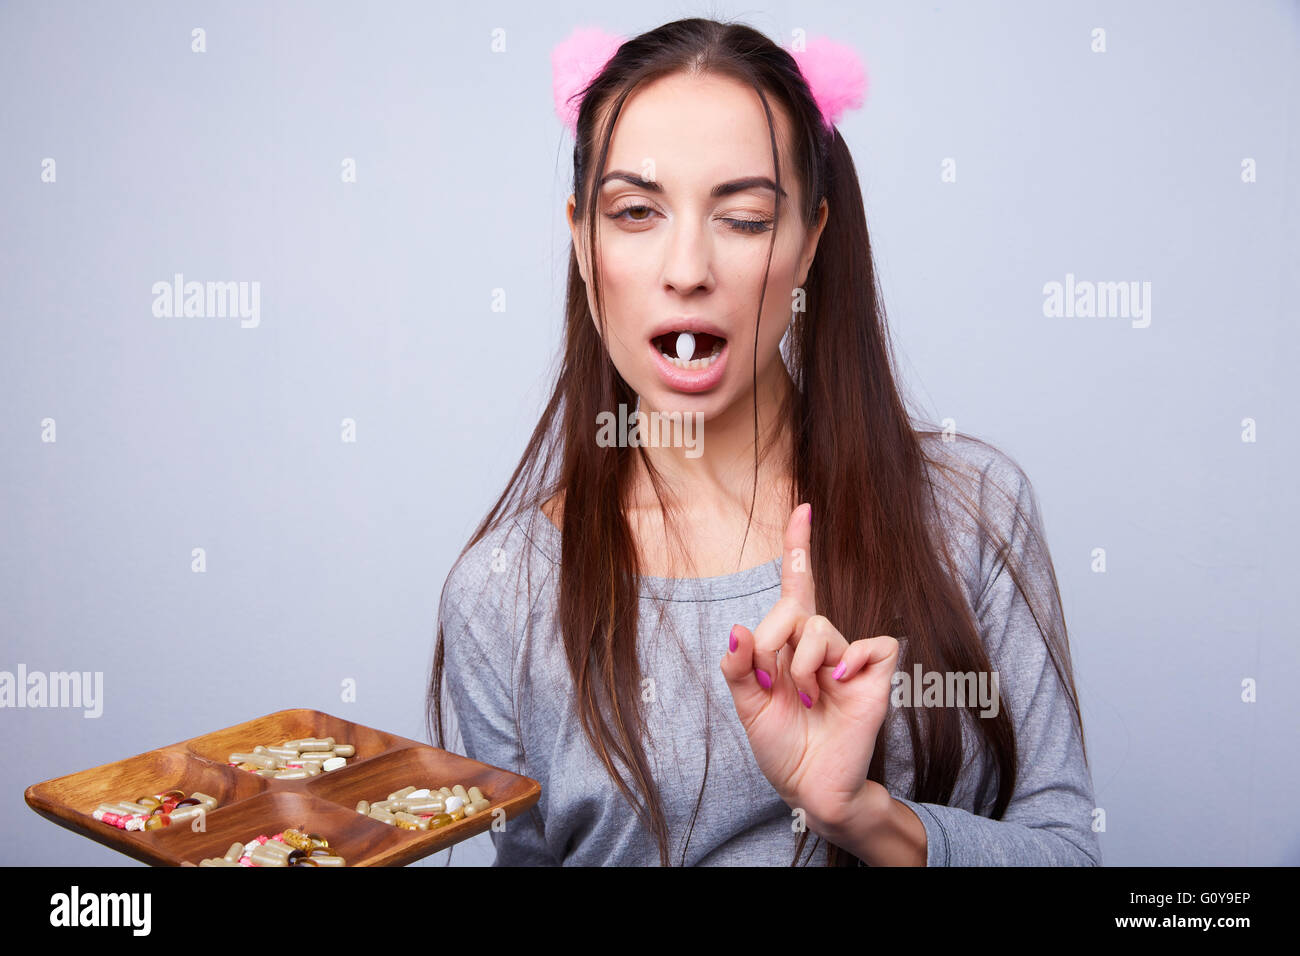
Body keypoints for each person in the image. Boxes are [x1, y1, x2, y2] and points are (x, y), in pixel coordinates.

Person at [427, 17, 1101, 866]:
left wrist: (864, 817)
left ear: (811, 240)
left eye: (742, 218)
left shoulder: (973, 510)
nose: (686, 268)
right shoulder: (500, 596)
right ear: (581, 238)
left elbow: (1068, 853)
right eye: (634, 212)